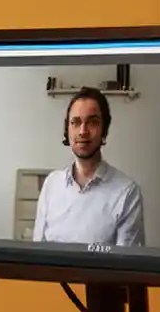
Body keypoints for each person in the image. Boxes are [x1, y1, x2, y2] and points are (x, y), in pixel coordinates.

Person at [33, 87, 145, 247]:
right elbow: (37, 252)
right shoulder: (51, 184)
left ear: (104, 130)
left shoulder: (127, 192)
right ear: (67, 130)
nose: (83, 131)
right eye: (75, 122)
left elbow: (126, 266)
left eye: (92, 122)